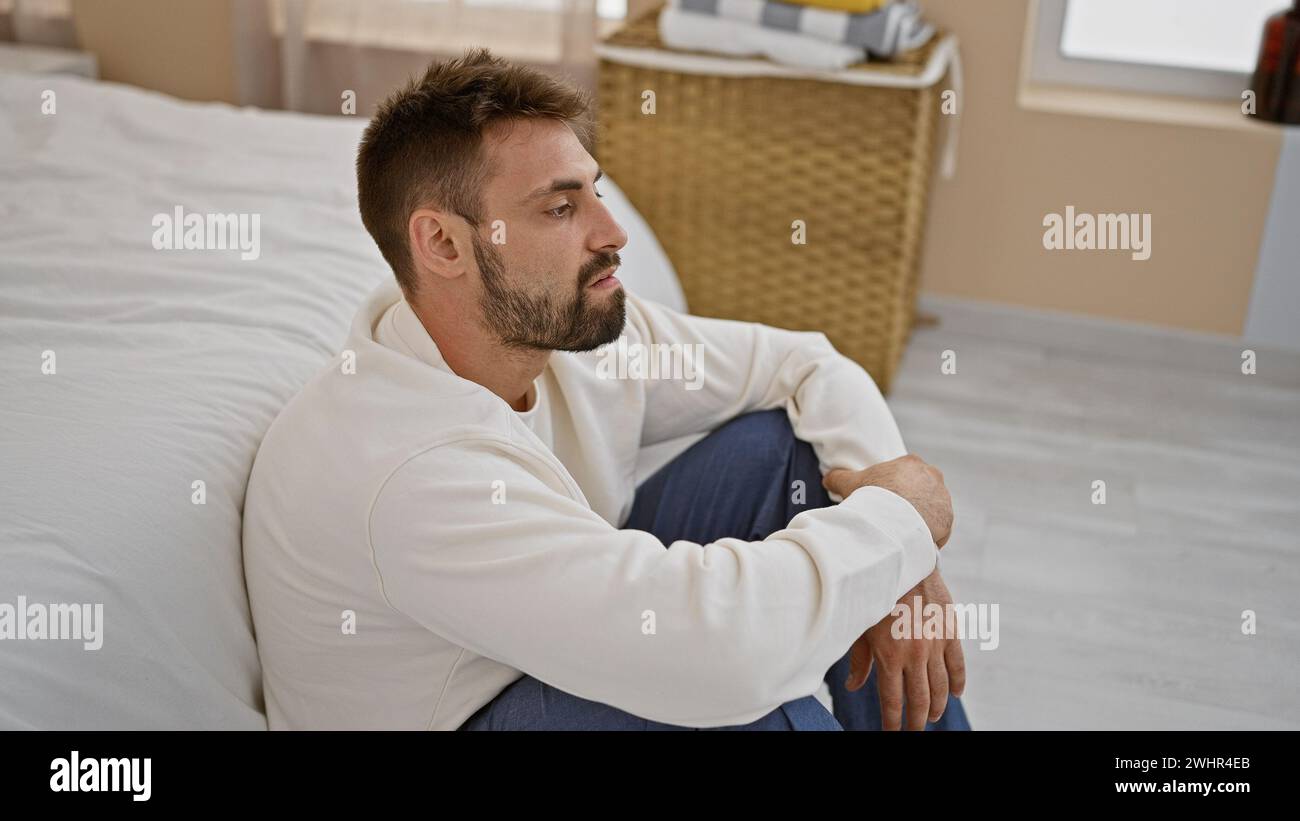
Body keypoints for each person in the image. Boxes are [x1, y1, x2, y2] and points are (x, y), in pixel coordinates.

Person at [242, 48, 970, 731]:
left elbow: (806, 363)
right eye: (560, 209)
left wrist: (899, 553)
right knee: (742, 703)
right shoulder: (411, 473)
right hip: (466, 709)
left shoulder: (551, 326)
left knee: (789, 453)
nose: (613, 231)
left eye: (595, 190)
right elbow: (725, 656)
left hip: (530, 646)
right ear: (442, 244)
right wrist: (898, 522)